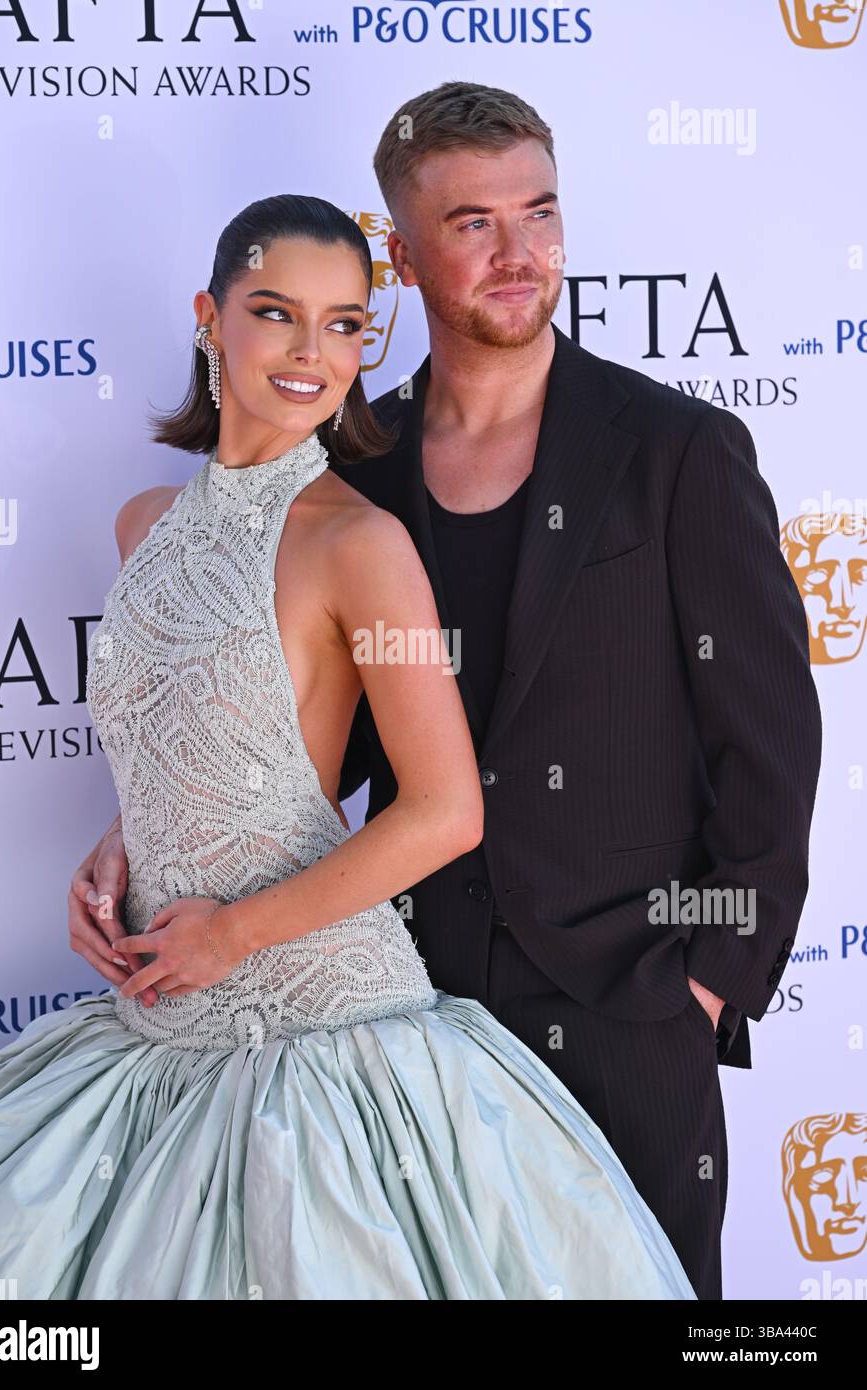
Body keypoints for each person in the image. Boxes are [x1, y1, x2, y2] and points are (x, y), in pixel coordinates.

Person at [78, 81, 823, 1301]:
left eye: (538, 212)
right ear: (406, 263)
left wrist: (704, 985)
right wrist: (138, 831)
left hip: (632, 996)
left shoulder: (675, 449)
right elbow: (303, 729)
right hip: (411, 993)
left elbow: (770, 744)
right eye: (474, 223)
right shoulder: (354, 467)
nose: (520, 253)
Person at [0, 193, 696, 1300]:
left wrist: (233, 932)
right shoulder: (144, 524)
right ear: (210, 317)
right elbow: (203, 731)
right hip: (157, 1020)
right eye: (275, 312)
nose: (312, 352)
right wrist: (118, 846)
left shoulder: (359, 542)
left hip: (321, 1038)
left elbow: (447, 810)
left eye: (346, 324)